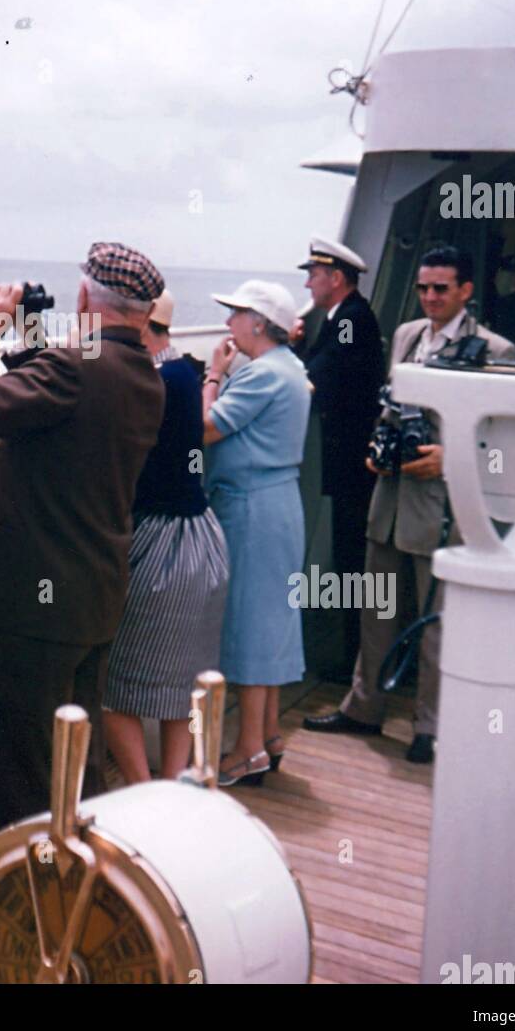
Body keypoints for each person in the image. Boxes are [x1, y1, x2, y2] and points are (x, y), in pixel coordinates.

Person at [0, 242, 166, 831]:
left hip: (32, 608)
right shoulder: (145, 375)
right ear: (145, 314)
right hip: (91, 597)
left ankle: (33, 899)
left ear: (84, 297)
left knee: (25, 776)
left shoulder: (76, 369)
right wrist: (29, 338)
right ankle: (82, 887)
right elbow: (64, 396)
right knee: (76, 764)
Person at [303, 244, 515, 763]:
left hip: (444, 506)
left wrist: (453, 457)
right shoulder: (405, 336)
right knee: (377, 607)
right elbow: (391, 405)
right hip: (391, 496)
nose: (429, 297)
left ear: (465, 291)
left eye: (440, 288)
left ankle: (431, 727)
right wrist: (378, 448)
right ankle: (363, 708)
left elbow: (505, 442)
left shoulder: (495, 351)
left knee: (435, 621)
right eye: (423, 287)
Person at [103, 290, 230, 783]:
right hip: (201, 540)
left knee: (116, 686)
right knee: (183, 687)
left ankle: (141, 788)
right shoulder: (184, 375)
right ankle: (175, 784)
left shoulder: (150, 381)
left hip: (158, 550)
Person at [201, 280, 311, 787]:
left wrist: (212, 376)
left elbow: (206, 429)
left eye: (235, 313)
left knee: (248, 624)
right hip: (278, 503)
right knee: (270, 622)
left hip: (251, 508)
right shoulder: (290, 369)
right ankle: (266, 737)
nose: (228, 323)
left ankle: (246, 751)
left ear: (259, 324)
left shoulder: (261, 375)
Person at [290, 239, 385, 683]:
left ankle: (356, 664)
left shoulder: (351, 321)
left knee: (353, 559)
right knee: (350, 558)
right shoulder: (341, 319)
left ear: (337, 279)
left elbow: (319, 379)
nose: (308, 282)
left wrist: (282, 351)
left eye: (314, 274)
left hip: (354, 469)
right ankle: (354, 658)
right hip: (349, 466)